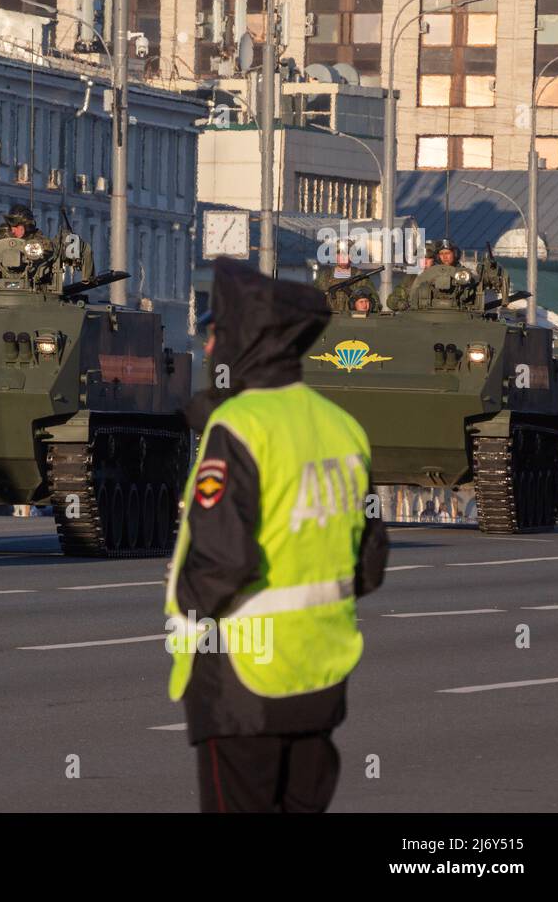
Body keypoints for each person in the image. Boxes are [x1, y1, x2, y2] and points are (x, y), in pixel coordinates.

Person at [166, 259, 390, 813]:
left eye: (215, 331)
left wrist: (187, 615)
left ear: (241, 338)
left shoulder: (240, 426)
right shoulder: (343, 426)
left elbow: (224, 557)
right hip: (321, 678)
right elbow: (371, 563)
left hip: (244, 680)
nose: (210, 343)